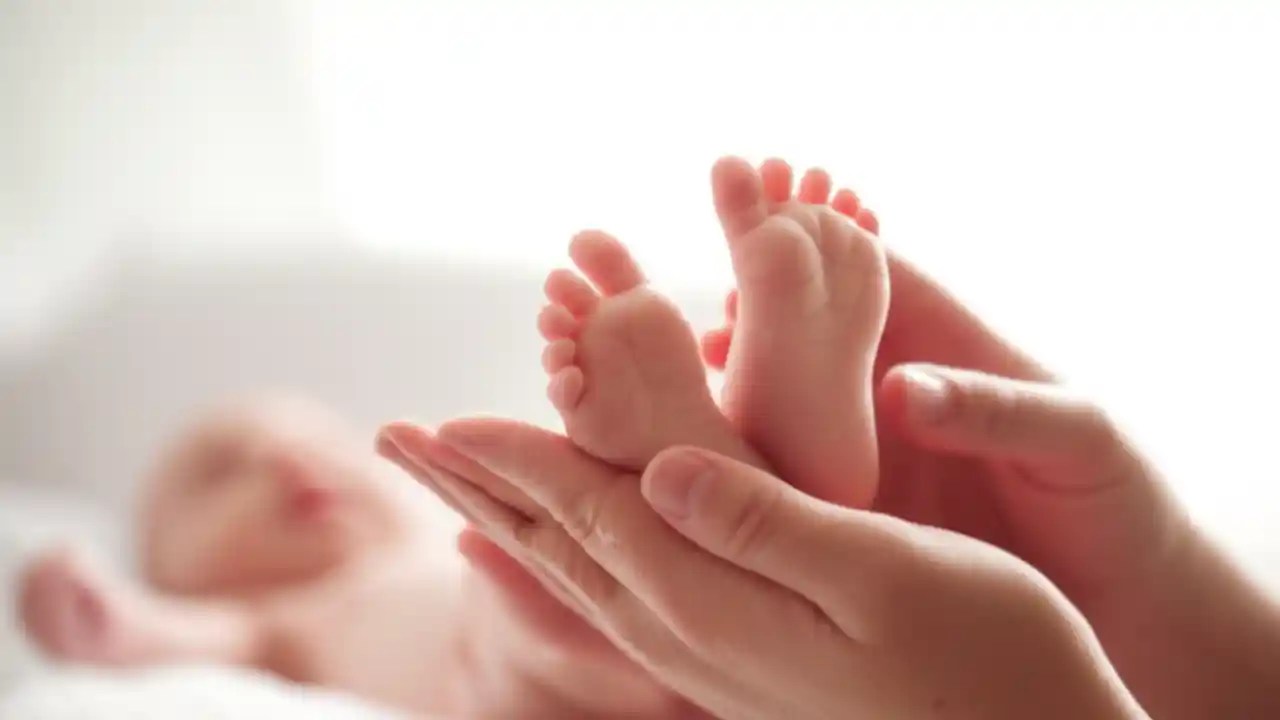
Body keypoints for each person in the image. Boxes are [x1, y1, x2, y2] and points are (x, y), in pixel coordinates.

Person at [379, 156, 1280, 718]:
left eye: (304, 446)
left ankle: (731, 482)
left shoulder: (390, 541)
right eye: (228, 471)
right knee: (537, 643)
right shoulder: (299, 610)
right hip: (525, 641)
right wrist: (1169, 589)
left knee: (546, 633)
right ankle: (787, 479)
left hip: (564, 625)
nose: (302, 489)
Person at [18, 395, 688, 718]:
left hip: (637, 622)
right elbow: (181, 635)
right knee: (530, 603)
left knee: (582, 550)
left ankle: (698, 458)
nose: (290, 460)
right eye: (224, 471)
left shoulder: (427, 538)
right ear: (172, 573)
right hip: (505, 682)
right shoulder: (270, 618)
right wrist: (109, 616)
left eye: (328, 443)